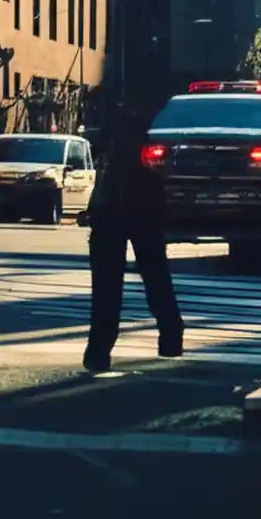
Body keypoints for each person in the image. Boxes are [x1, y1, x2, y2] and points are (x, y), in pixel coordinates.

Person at [82, 103, 184, 373]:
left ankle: (99, 350)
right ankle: (169, 335)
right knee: (152, 275)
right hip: (134, 211)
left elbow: (107, 178)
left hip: (122, 212)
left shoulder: (122, 144)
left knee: (110, 285)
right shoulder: (139, 141)